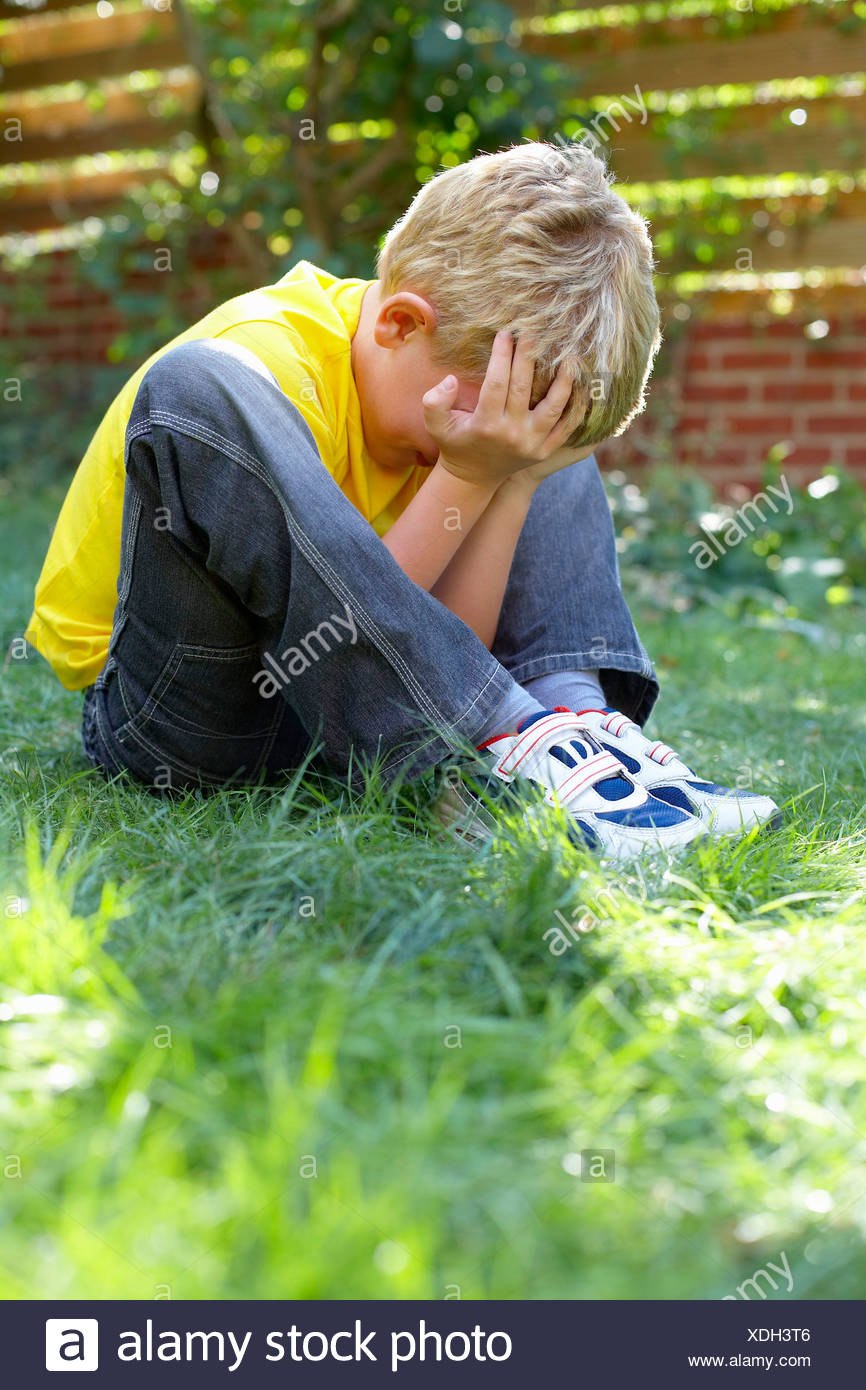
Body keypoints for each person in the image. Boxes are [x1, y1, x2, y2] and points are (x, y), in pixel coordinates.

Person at [24, 139, 779, 862]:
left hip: (364, 715)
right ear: (399, 324)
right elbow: (319, 646)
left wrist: (502, 476)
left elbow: (437, 639)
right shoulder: (271, 361)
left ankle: (577, 739)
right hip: (191, 711)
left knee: (536, 440)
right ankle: (516, 742)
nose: (485, 440)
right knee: (199, 386)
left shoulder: (444, 388)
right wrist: (470, 472)